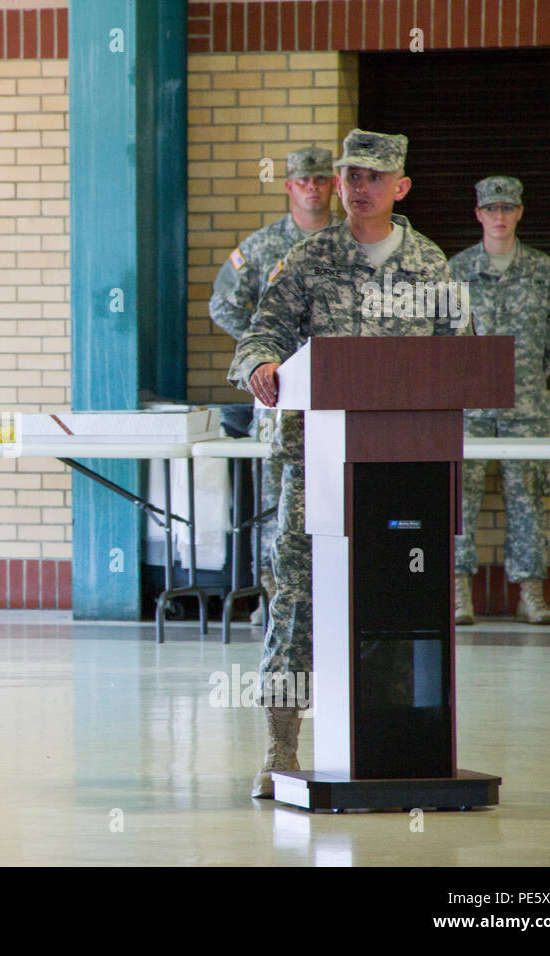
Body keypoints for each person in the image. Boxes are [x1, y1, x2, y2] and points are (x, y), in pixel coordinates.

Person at [229, 129, 469, 798]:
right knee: (298, 603)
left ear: (401, 187)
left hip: (401, 469)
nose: (357, 186)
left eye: (373, 175)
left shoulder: (430, 265)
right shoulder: (310, 259)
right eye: (348, 174)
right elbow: (261, 332)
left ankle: (389, 740)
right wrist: (262, 364)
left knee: (392, 602)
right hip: (315, 467)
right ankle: (281, 746)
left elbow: (460, 353)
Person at [209, 147, 339, 621]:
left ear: (334, 187)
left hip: (338, 392)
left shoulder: (348, 245)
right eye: (303, 180)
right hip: (279, 393)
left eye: (321, 180)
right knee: (275, 495)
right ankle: (271, 594)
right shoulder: (264, 247)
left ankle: (331, 589)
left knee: (333, 489)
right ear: (289, 186)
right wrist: (268, 349)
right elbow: (222, 304)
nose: (312, 188)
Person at [451, 177, 550, 626]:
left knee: (528, 498)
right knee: (460, 498)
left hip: (525, 404)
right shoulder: (456, 271)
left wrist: (524, 378)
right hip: (468, 405)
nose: (499, 216)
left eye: (508, 208)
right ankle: (460, 593)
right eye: (491, 208)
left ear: (520, 212)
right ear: (478, 214)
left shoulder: (542, 271)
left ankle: (530, 595)